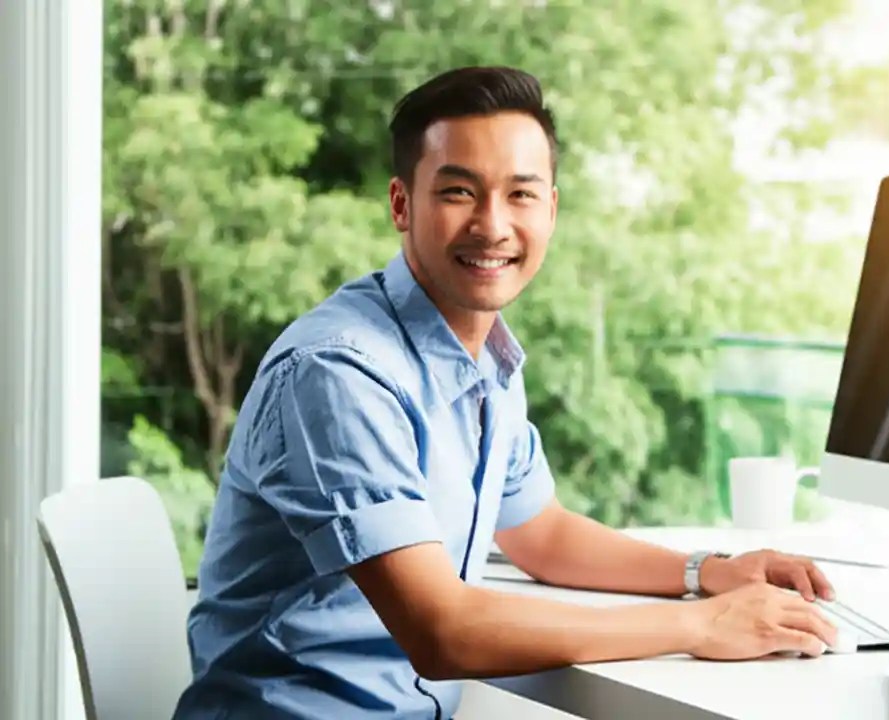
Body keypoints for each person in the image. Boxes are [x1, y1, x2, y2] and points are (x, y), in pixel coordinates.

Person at [174, 65, 838, 720]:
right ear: (402, 204)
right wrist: (701, 626)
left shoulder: (485, 356)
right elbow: (444, 633)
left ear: (551, 209)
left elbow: (541, 535)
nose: (492, 225)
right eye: (459, 192)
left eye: (520, 194)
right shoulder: (340, 373)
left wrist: (709, 572)